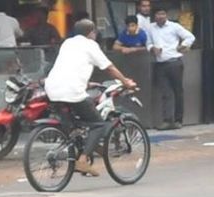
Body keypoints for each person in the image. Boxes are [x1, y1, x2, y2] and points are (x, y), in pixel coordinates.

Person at [44, 19, 137, 176]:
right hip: (72, 91)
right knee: (98, 124)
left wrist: (86, 83)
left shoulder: (67, 43)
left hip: (52, 90)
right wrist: (125, 82)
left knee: (75, 127)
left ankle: (84, 146)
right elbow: (109, 68)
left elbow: (71, 67)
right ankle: (82, 160)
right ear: (91, 32)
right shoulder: (91, 45)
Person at [147, 7, 195, 129]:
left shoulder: (174, 26)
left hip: (174, 63)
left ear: (166, 15)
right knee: (166, 92)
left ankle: (178, 120)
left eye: (163, 13)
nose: (161, 16)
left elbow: (190, 37)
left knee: (178, 92)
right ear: (154, 16)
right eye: (158, 14)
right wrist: (152, 48)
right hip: (160, 64)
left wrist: (183, 45)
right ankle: (167, 120)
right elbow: (148, 42)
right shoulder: (150, 28)